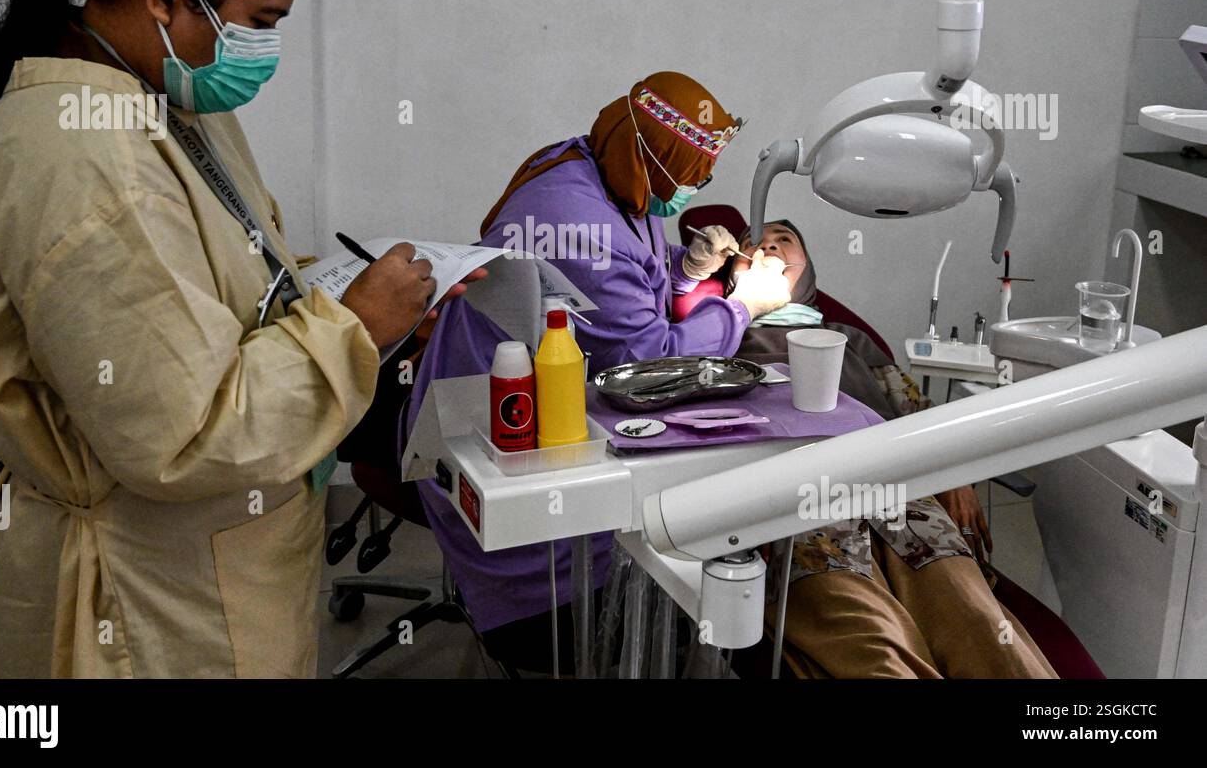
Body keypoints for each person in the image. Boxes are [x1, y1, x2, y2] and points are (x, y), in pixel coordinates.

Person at [0, 0, 472, 678]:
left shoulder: (156, 105)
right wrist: (354, 326)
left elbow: (220, 276)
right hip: (149, 604)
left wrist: (354, 299)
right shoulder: (85, 161)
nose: (265, 48)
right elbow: (184, 430)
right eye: (262, 19)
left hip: (211, 564)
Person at [401, 71, 791, 670]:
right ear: (652, 158)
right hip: (489, 437)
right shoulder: (573, 218)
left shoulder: (606, 165)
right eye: (689, 174)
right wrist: (743, 307)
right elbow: (648, 360)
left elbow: (625, 281)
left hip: (521, 401)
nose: (694, 188)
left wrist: (685, 270)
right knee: (643, 565)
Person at [725, 221, 1056, 678]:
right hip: (800, 511)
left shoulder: (850, 339)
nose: (769, 245)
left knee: (982, 628)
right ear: (735, 271)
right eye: (753, 243)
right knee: (875, 650)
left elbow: (918, 413)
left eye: (784, 238)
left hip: (902, 505)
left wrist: (954, 476)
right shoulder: (721, 346)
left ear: (808, 267)